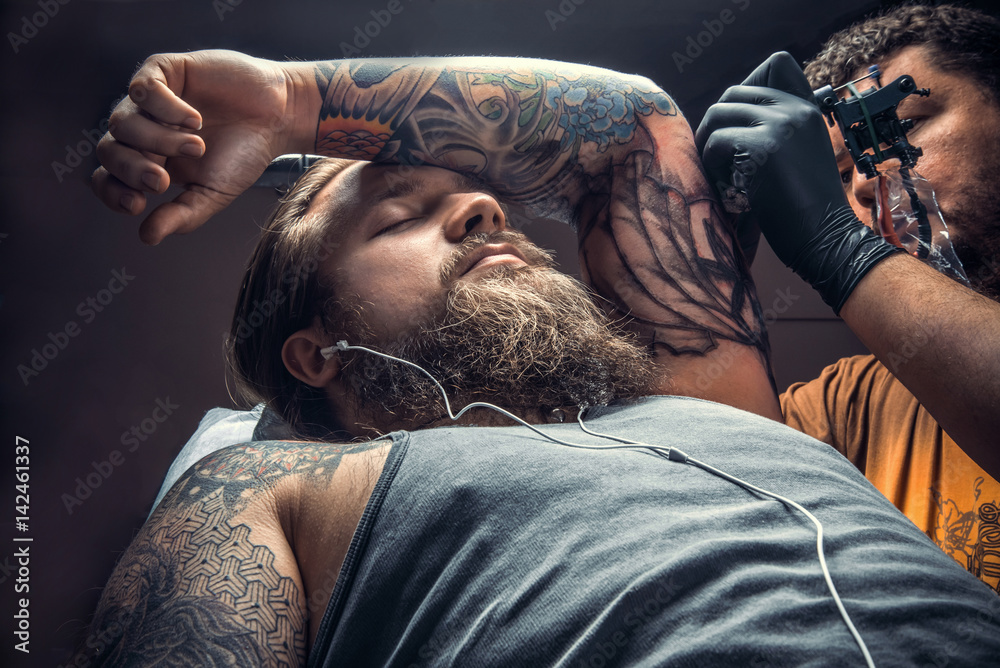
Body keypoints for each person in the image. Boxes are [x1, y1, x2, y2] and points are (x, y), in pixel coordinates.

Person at [77, 50, 1000, 666]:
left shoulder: (708, 405)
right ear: (317, 354)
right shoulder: (265, 482)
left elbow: (632, 129)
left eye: (495, 205)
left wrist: (292, 104)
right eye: (401, 215)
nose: (484, 211)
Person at [696, 4, 1000, 591]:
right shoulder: (848, 402)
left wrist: (841, 249)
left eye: (901, 127)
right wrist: (706, 273)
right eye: (834, 173)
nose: (862, 181)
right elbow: (712, 492)